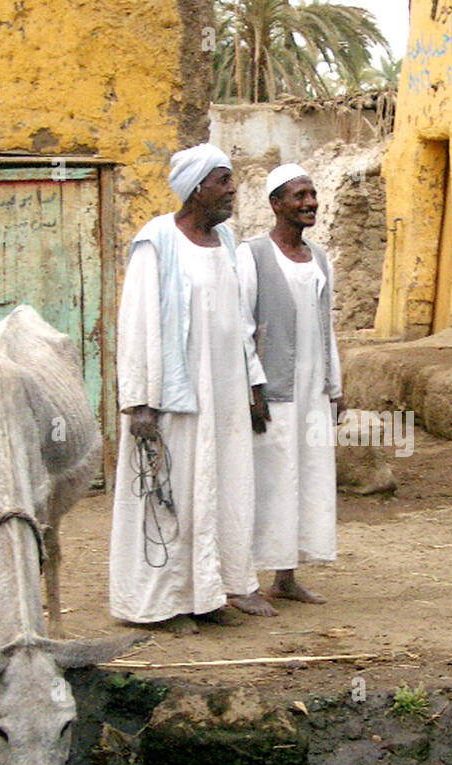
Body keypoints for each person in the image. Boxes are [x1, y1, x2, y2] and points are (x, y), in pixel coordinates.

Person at [109, 143, 277, 632]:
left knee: (221, 488)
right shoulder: (156, 240)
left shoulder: (226, 242)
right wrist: (139, 401)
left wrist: (254, 385)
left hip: (222, 396)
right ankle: (162, 606)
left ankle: (209, 594)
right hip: (173, 398)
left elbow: (239, 323)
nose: (232, 190)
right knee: (170, 495)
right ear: (197, 188)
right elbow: (136, 323)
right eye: (223, 180)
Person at [236, 164, 346, 604]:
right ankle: (243, 580)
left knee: (305, 475)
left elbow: (327, 326)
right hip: (273, 388)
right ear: (276, 204)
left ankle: (285, 577)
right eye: (298, 196)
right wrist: (253, 389)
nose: (309, 203)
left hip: (311, 388)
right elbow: (242, 327)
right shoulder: (253, 255)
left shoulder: (319, 258)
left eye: (313, 194)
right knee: (267, 479)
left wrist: (334, 385)